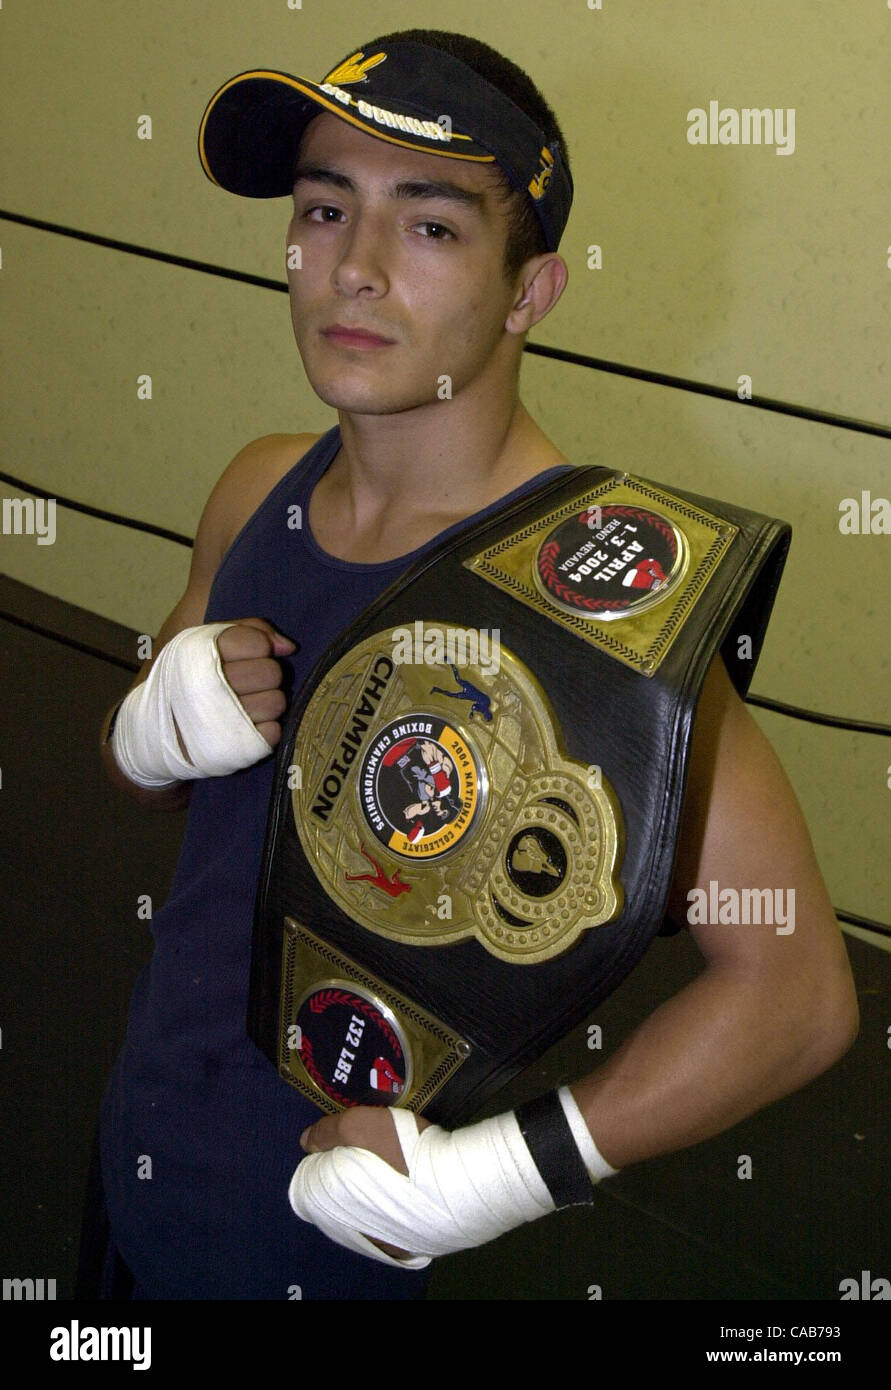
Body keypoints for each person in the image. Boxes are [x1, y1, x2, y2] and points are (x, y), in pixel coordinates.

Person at [85, 27, 858, 1298]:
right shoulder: (254, 490)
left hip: (330, 1249)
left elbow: (798, 990)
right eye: (326, 209)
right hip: (139, 1154)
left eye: (430, 226)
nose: (358, 270)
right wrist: (141, 735)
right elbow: (159, 793)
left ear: (530, 292)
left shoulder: (606, 616)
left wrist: (501, 1173)